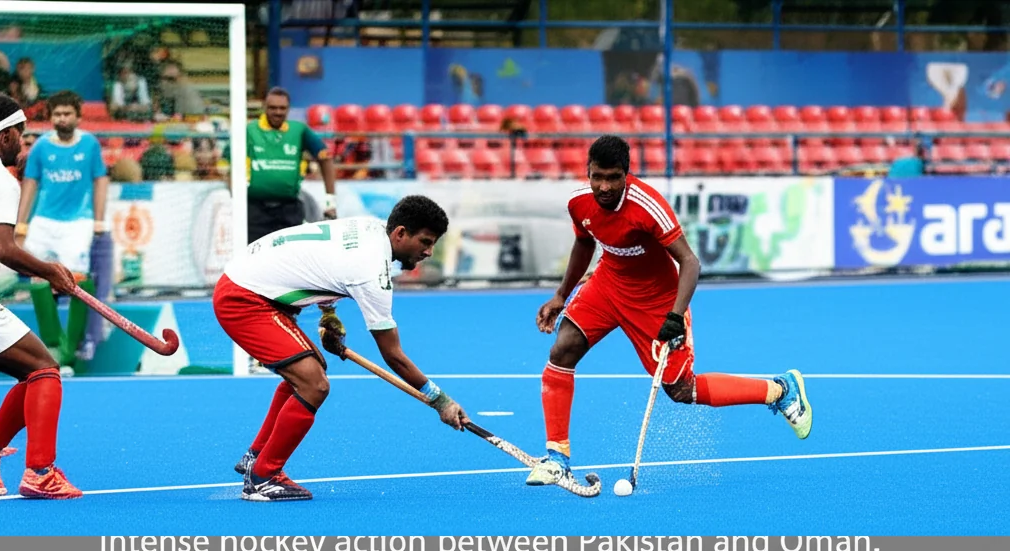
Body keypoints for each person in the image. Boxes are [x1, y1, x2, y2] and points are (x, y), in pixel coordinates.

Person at [525, 136, 813, 486]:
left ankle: (779, 389)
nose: (604, 186)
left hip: (657, 300)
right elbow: (585, 242)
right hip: (608, 285)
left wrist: (675, 317)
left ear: (627, 175)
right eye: (597, 176)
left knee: (681, 390)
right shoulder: (579, 202)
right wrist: (561, 295)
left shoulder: (647, 206)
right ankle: (557, 458)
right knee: (563, 349)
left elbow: (690, 262)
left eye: (613, 178)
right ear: (588, 172)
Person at [213, 195, 471, 502]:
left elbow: (324, 264)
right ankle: (263, 477)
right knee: (314, 384)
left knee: (309, 372)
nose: (428, 252)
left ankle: (256, 456)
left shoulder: (370, 229)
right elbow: (393, 356)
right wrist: (440, 400)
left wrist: (329, 315)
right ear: (400, 233)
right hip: (244, 299)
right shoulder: (371, 271)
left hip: (248, 283)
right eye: (425, 242)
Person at [0, 94, 82, 499]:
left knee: (31, 370)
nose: (24, 144)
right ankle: (40, 472)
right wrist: (50, 270)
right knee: (44, 369)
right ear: (4, 135)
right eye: (20, 135)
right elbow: (6, 250)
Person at [15, 90, 112, 362]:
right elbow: (30, 184)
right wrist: (21, 225)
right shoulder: (41, 147)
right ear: (51, 118)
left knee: (77, 280)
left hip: (78, 223)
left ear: (78, 117)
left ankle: (74, 348)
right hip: (44, 222)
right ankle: (52, 345)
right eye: (57, 114)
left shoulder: (90, 145)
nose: (62, 119)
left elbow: (100, 180)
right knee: (39, 281)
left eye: (67, 113)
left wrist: (99, 219)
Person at [246, 86, 336, 244]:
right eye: (273, 108)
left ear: (288, 109)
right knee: (255, 255)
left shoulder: (299, 130)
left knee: (291, 255)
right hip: (255, 211)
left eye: (282, 108)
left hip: (289, 210)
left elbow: (325, 158)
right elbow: (228, 165)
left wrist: (330, 202)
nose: (278, 112)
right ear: (265, 107)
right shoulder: (250, 130)